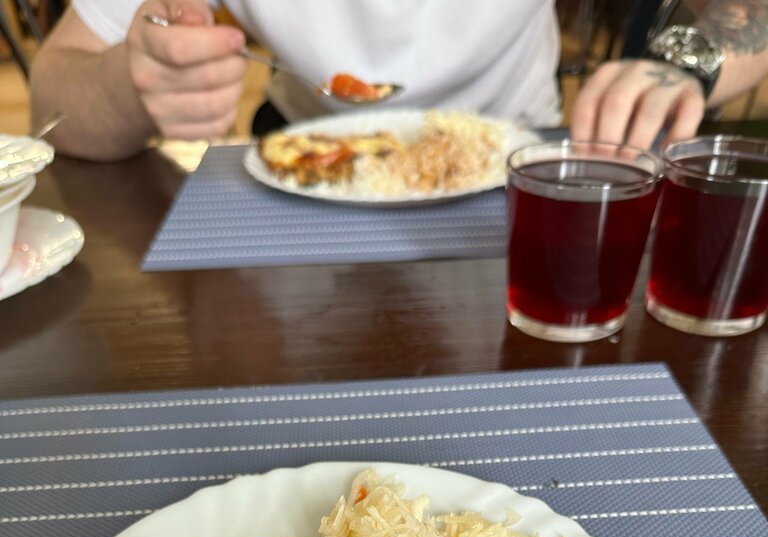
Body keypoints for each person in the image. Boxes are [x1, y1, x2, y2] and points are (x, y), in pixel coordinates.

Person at [29, 0, 768, 161]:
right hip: (301, 163)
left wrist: (685, 59)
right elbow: (55, 94)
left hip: (521, 160)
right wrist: (139, 79)